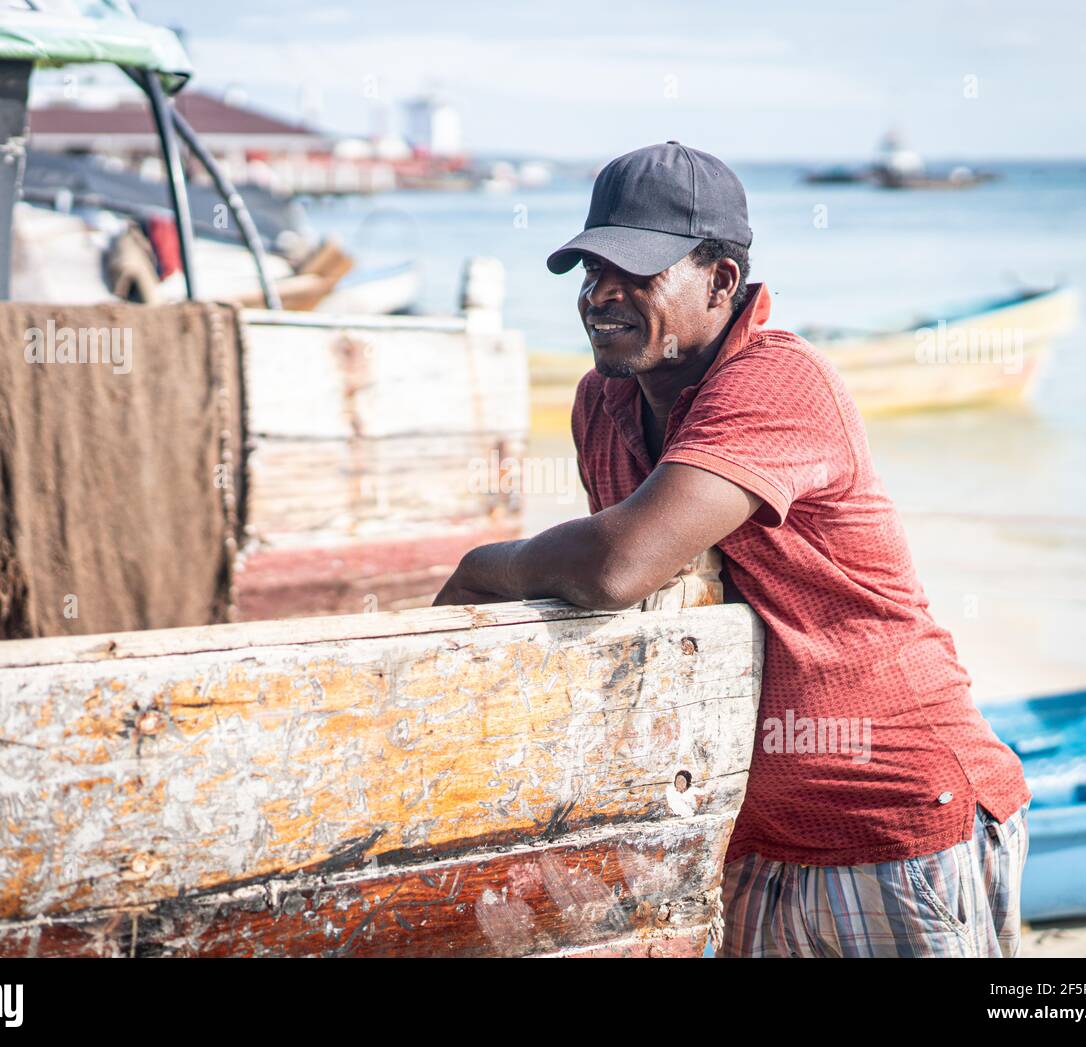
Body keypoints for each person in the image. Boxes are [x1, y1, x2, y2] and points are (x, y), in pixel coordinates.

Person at [434, 142, 1032, 957]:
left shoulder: (778, 381)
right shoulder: (601, 401)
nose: (602, 295)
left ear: (722, 281)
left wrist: (480, 568)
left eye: (637, 272)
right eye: (590, 270)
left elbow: (618, 566)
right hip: (750, 834)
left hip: (897, 820)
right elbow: (639, 609)